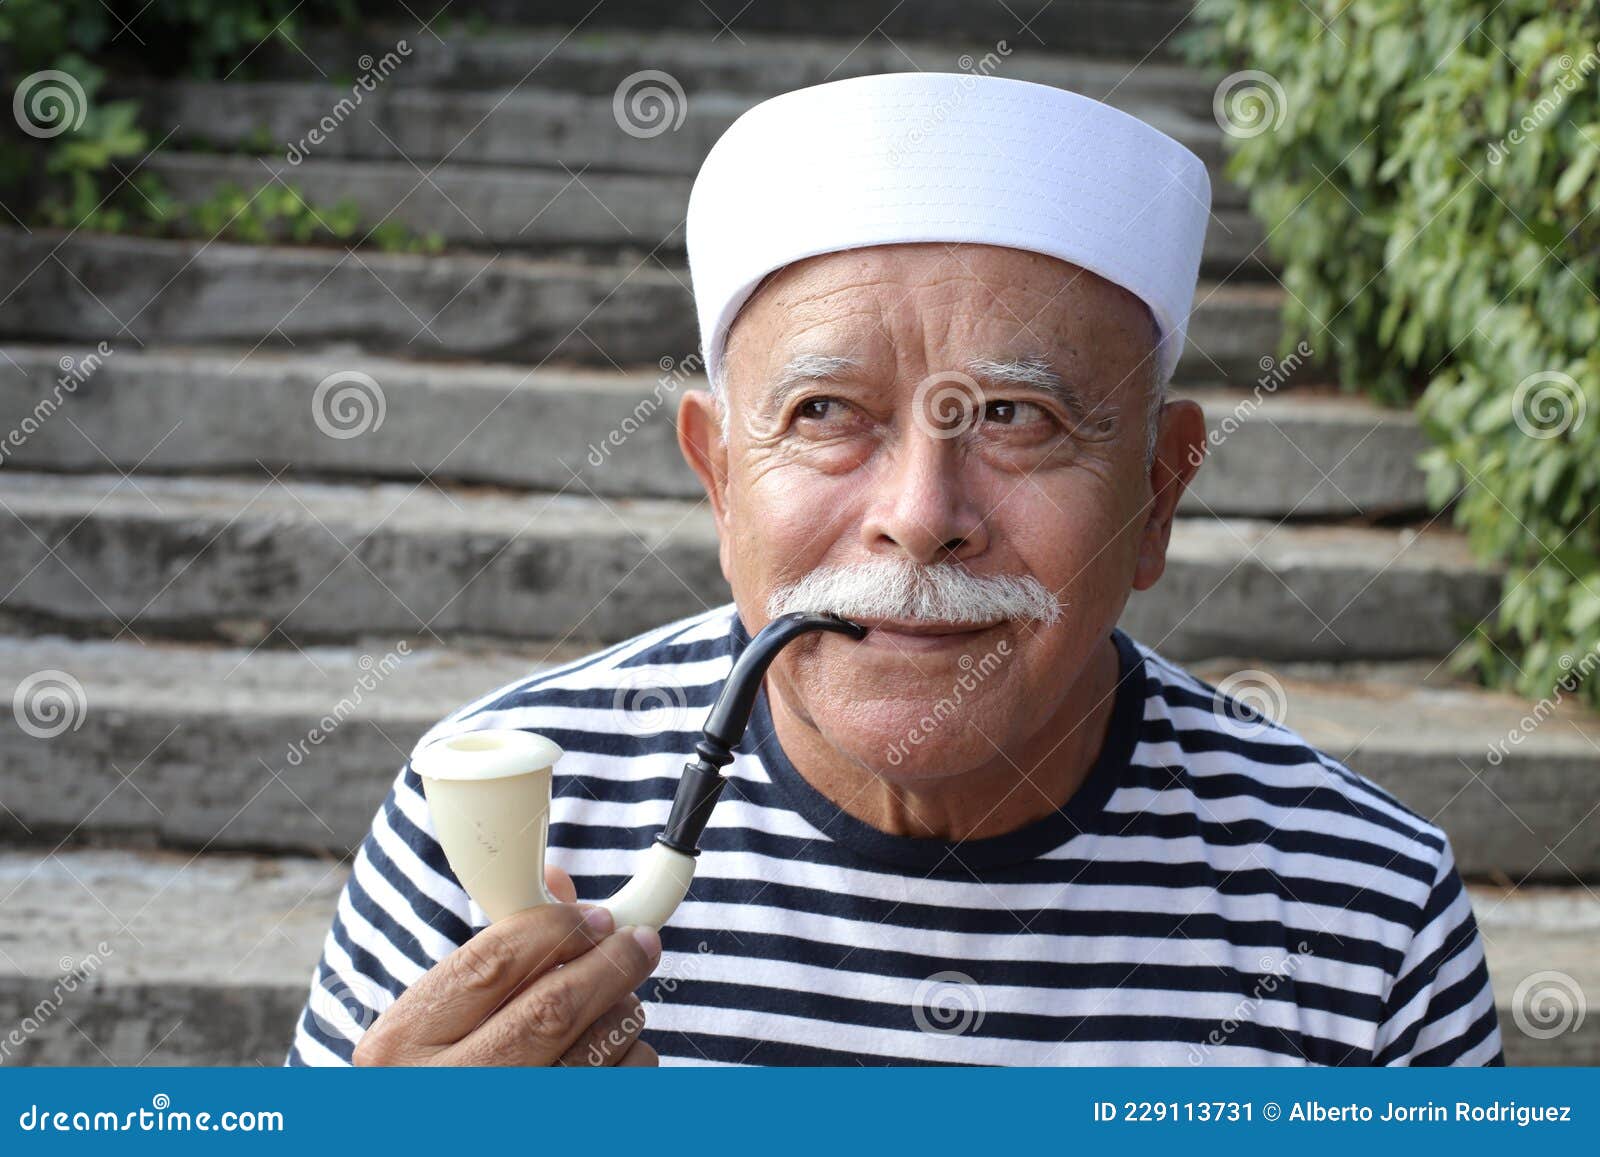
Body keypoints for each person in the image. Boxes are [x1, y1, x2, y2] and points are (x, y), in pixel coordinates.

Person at [289, 73, 1501, 1067]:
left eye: (1017, 418)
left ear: (1157, 492)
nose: (921, 518)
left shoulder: (1363, 908)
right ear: (719, 476)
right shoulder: (490, 819)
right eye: (825, 412)